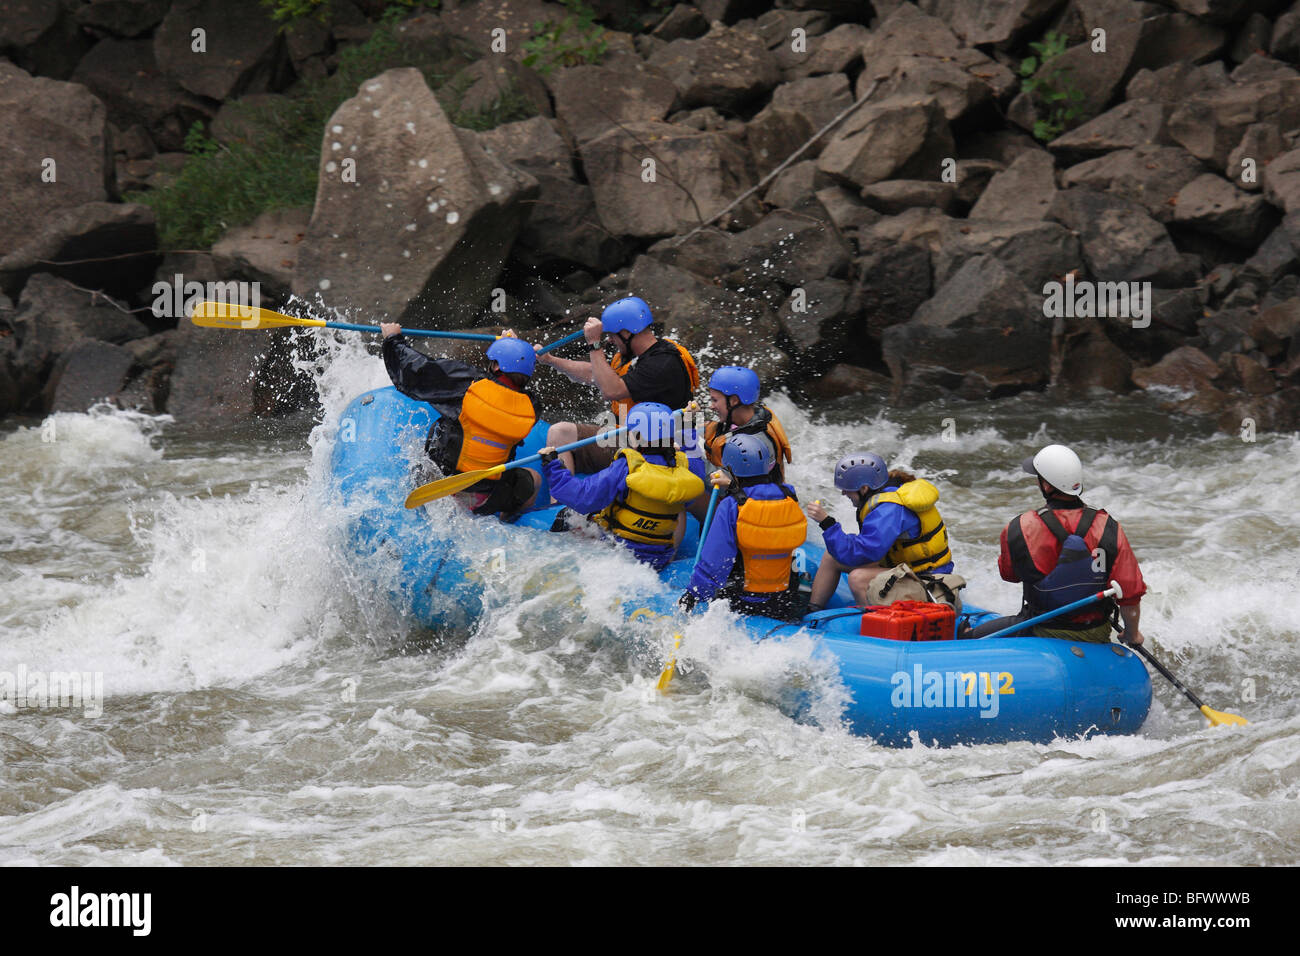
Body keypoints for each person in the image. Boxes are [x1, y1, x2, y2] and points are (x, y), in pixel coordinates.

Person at [962, 444, 1146, 644]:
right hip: (1095, 632)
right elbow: (1130, 592)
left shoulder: (1020, 527)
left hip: (1040, 628)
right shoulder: (1109, 527)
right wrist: (1132, 634)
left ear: (1047, 486)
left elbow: (1009, 575)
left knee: (968, 636)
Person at [381, 322, 540, 520]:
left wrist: (393, 340)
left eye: (493, 360)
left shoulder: (469, 385)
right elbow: (510, 391)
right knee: (534, 478)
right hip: (487, 498)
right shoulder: (532, 407)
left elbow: (418, 371)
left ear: (497, 365)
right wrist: (517, 350)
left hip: (442, 483)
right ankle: (506, 521)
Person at [535, 296, 699, 476]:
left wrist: (594, 345)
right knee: (560, 432)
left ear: (627, 333)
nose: (611, 340)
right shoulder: (633, 355)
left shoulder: (663, 364)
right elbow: (593, 373)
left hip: (658, 450)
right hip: (629, 437)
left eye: (613, 335)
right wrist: (551, 361)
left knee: (562, 433)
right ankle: (561, 503)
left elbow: (611, 390)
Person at [538, 402, 704, 571]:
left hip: (618, 554)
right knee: (678, 504)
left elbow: (582, 497)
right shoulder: (686, 466)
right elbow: (693, 454)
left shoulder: (626, 467)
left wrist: (553, 466)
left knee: (567, 515)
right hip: (659, 559)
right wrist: (688, 424)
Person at [804, 453, 955, 611]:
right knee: (831, 556)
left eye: (847, 489)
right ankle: (813, 610)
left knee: (858, 579)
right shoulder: (890, 492)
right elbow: (868, 546)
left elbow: (862, 553)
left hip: (927, 581)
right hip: (908, 569)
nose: (844, 493)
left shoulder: (889, 509)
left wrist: (827, 523)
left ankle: (878, 626)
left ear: (864, 488)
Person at [679, 433, 806, 619]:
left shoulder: (731, 506)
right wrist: (733, 487)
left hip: (744, 600)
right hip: (782, 598)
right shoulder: (789, 495)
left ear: (730, 468)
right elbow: (758, 499)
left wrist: (694, 594)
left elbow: (715, 561)